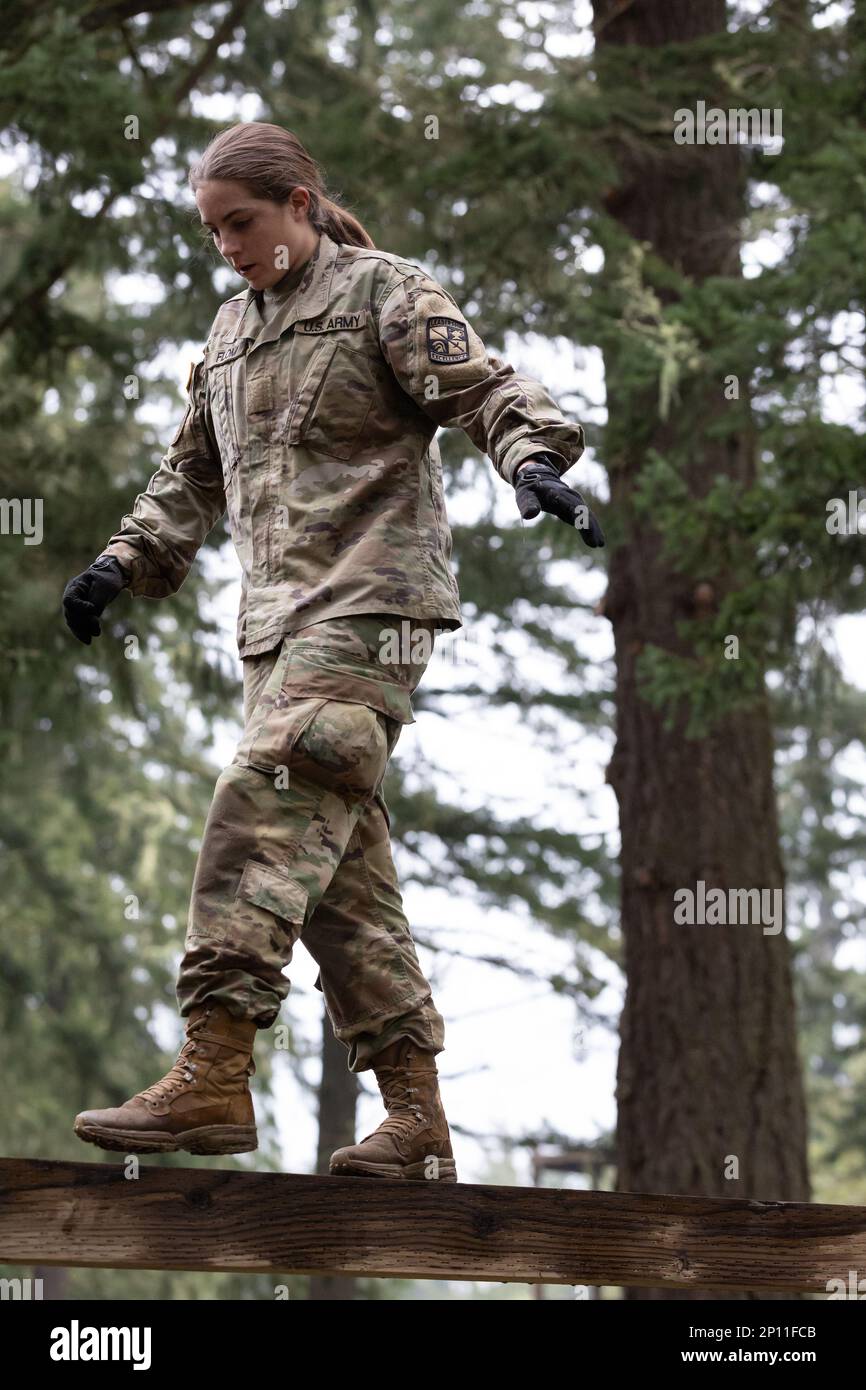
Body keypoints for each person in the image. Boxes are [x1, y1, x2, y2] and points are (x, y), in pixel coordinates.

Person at [62, 121, 604, 1182]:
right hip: (275, 636)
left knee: (259, 800)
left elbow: (483, 387)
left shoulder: (380, 292)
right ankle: (415, 1121)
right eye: (213, 228)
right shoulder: (228, 333)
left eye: (244, 221)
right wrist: (123, 561)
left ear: (300, 202)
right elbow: (190, 476)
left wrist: (531, 458)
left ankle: (214, 1068)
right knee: (343, 881)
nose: (228, 243)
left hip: (372, 608)